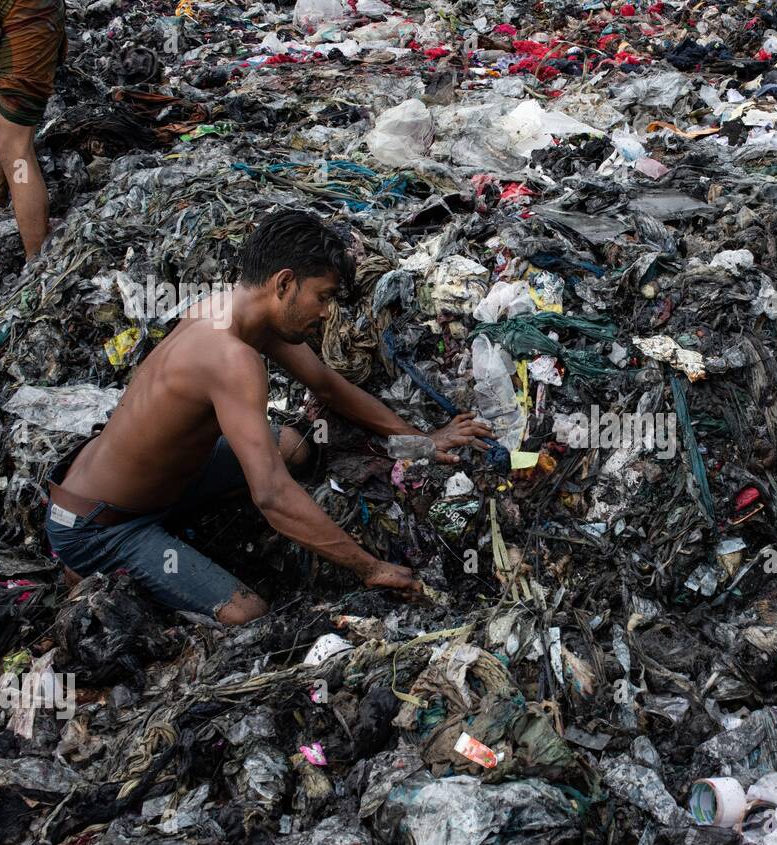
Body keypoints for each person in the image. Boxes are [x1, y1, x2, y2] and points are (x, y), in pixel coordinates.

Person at [44, 210, 493, 624]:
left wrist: (422, 440)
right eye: (322, 297)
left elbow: (327, 386)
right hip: (99, 524)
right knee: (248, 614)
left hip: (164, 481)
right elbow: (272, 495)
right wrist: (369, 567)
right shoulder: (231, 358)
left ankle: (169, 530)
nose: (326, 313)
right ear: (284, 283)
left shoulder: (234, 312)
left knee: (293, 447)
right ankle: (91, 569)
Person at [0, 0, 66, 257]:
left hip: (28, 18)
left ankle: (37, 258)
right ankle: (0, 190)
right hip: (22, 14)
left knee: (13, 148)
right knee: (9, 124)